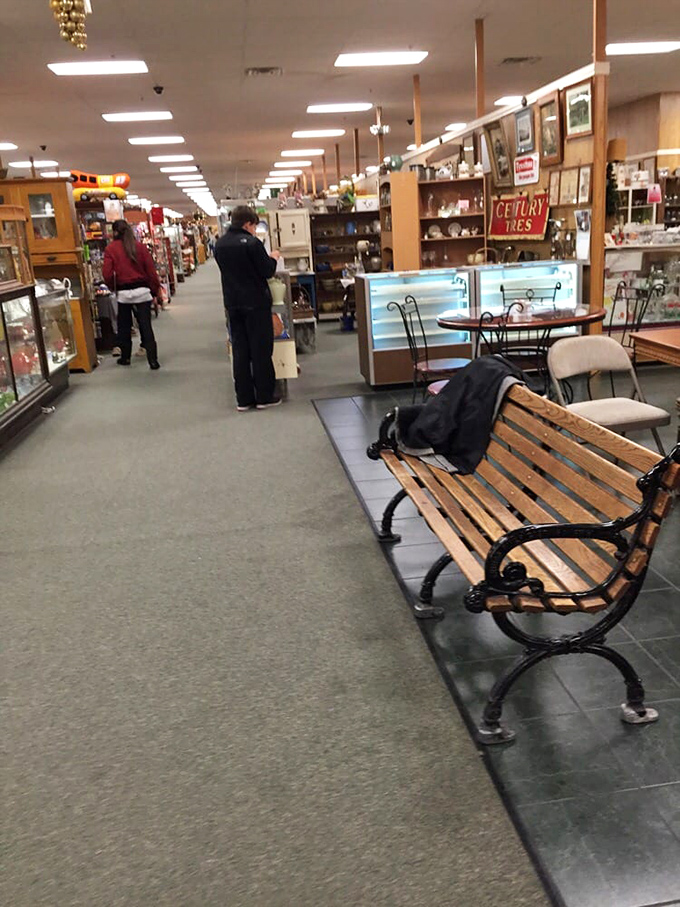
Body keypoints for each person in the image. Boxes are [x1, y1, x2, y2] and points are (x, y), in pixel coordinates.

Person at [215, 206, 281, 411]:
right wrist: (274, 257)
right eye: (254, 225)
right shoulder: (253, 243)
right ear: (248, 224)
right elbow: (267, 271)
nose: (254, 229)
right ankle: (264, 396)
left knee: (240, 350)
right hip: (256, 302)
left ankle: (243, 398)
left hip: (232, 302)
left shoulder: (220, 244)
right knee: (260, 350)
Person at [103, 220, 161, 370]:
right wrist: (154, 290)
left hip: (123, 293)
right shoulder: (140, 247)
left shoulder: (111, 249)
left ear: (115, 232)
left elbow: (107, 274)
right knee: (145, 326)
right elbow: (151, 272)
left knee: (124, 327)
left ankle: (125, 357)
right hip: (142, 291)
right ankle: (153, 360)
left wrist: (112, 288)